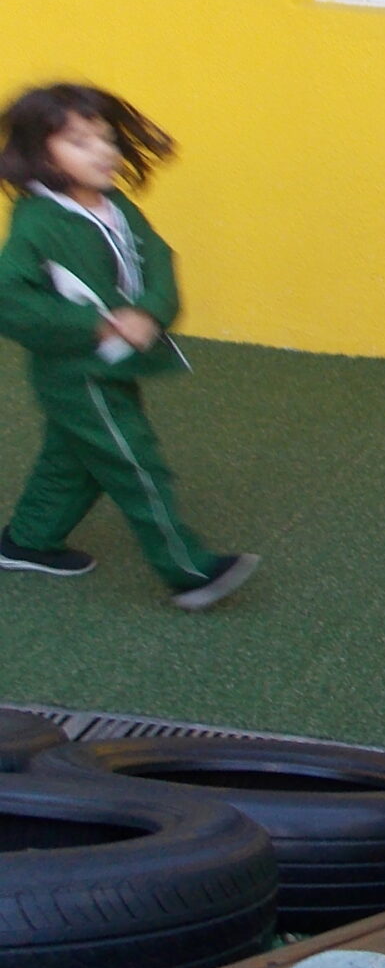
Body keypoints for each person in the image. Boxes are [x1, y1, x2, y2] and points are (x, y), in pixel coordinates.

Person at [0, 83, 258, 609]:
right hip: (78, 373)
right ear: (38, 154)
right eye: (79, 141)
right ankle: (188, 571)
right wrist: (92, 325)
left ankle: (27, 540)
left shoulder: (117, 207)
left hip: (113, 365)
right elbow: (10, 298)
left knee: (75, 459)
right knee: (132, 463)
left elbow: (159, 261)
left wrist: (150, 313)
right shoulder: (37, 223)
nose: (102, 152)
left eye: (106, 139)